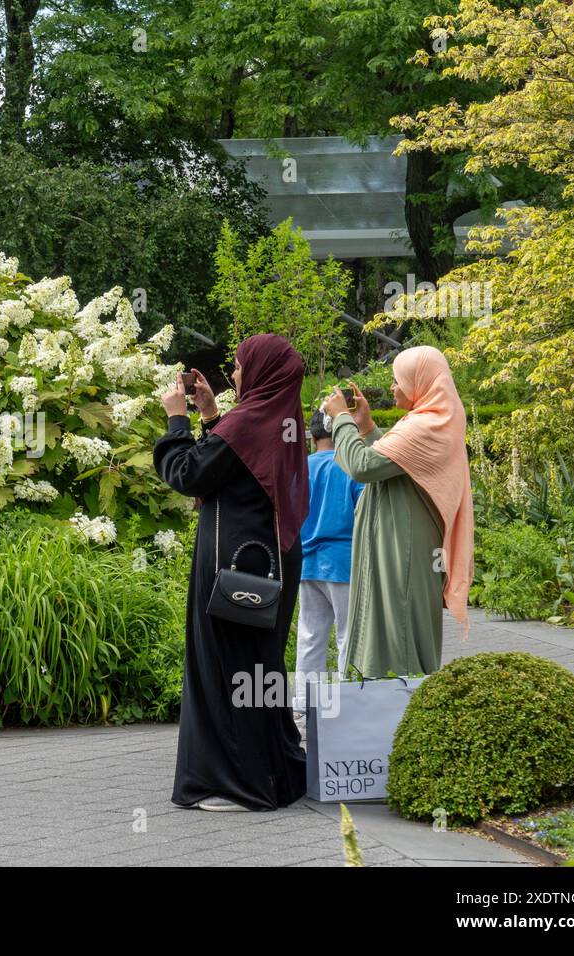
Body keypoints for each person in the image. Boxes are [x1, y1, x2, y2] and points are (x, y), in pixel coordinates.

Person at [154, 333, 310, 812]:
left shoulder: (250, 420)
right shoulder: (279, 418)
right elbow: (239, 470)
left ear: (262, 371)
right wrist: (210, 418)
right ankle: (273, 775)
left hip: (235, 567)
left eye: (241, 366)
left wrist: (177, 420)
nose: (236, 374)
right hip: (267, 565)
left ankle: (235, 784)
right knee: (258, 669)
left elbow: (189, 474)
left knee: (225, 669)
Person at [320, 346, 475, 679]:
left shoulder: (426, 426)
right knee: (393, 622)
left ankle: (400, 710)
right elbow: (393, 463)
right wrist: (366, 426)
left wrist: (341, 420)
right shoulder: (429, 420)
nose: (392, 387)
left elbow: (363, 466)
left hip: (402, 547)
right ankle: (390, 704)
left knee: (399, 626)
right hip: (400, 541)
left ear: (418, 382)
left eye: (397, 381)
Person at [293, 410, 362, 723]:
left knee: (310, 637)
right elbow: (365, 510)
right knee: (350, 636)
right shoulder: (351, 466)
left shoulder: (301, 468)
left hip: (307, 563)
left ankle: (305, 713)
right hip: (344, 562)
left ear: (312, 435)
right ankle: (348, 710)